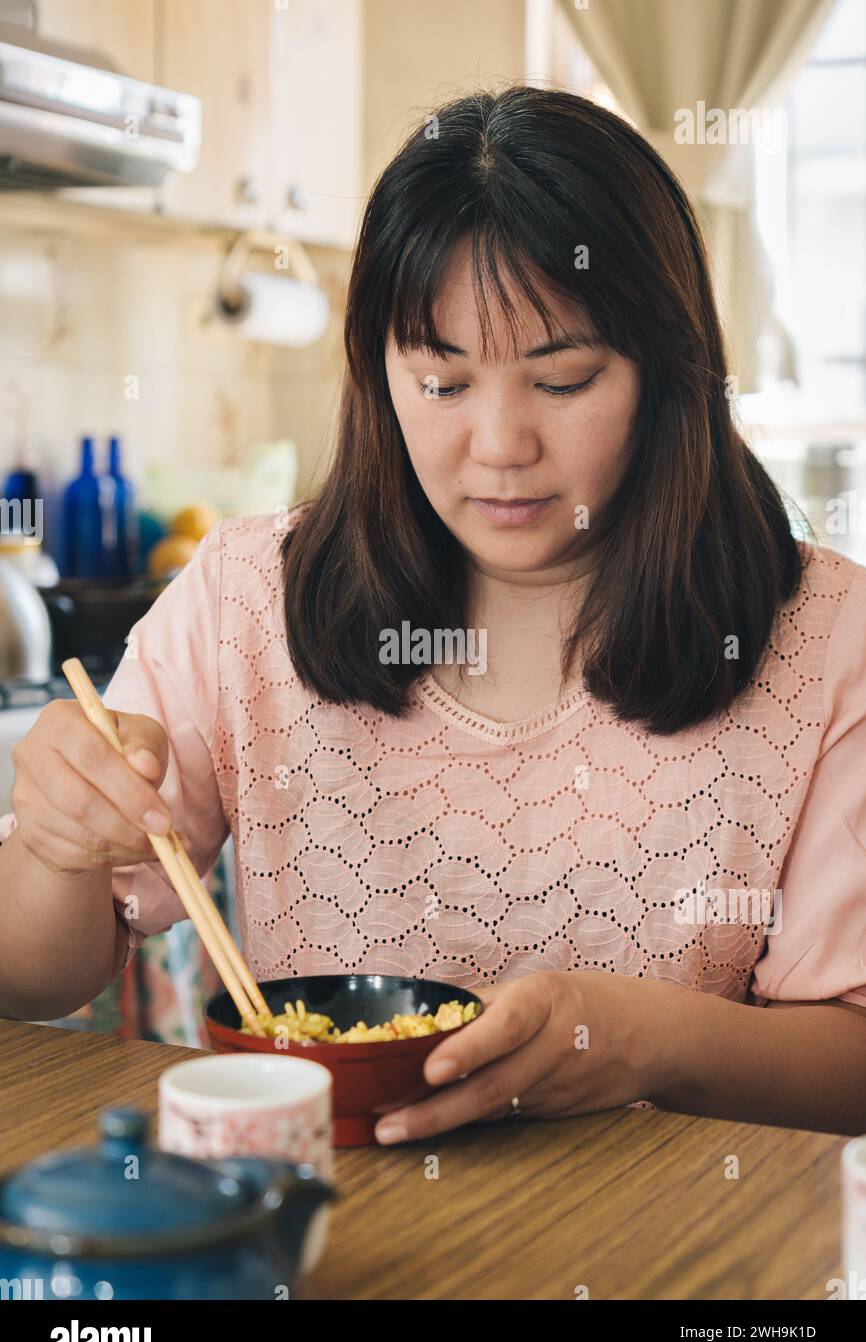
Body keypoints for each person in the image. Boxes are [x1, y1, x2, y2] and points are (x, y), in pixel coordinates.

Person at [2, 85, 866, 1141]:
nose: (498, 445)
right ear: (381, 377)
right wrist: (52, 843)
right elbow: (34, 979)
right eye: (441, 384)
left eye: (562, 379)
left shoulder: (823, 633)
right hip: (331, 1237)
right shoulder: (245, 599)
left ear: (667, 372)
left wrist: (649, 1039)